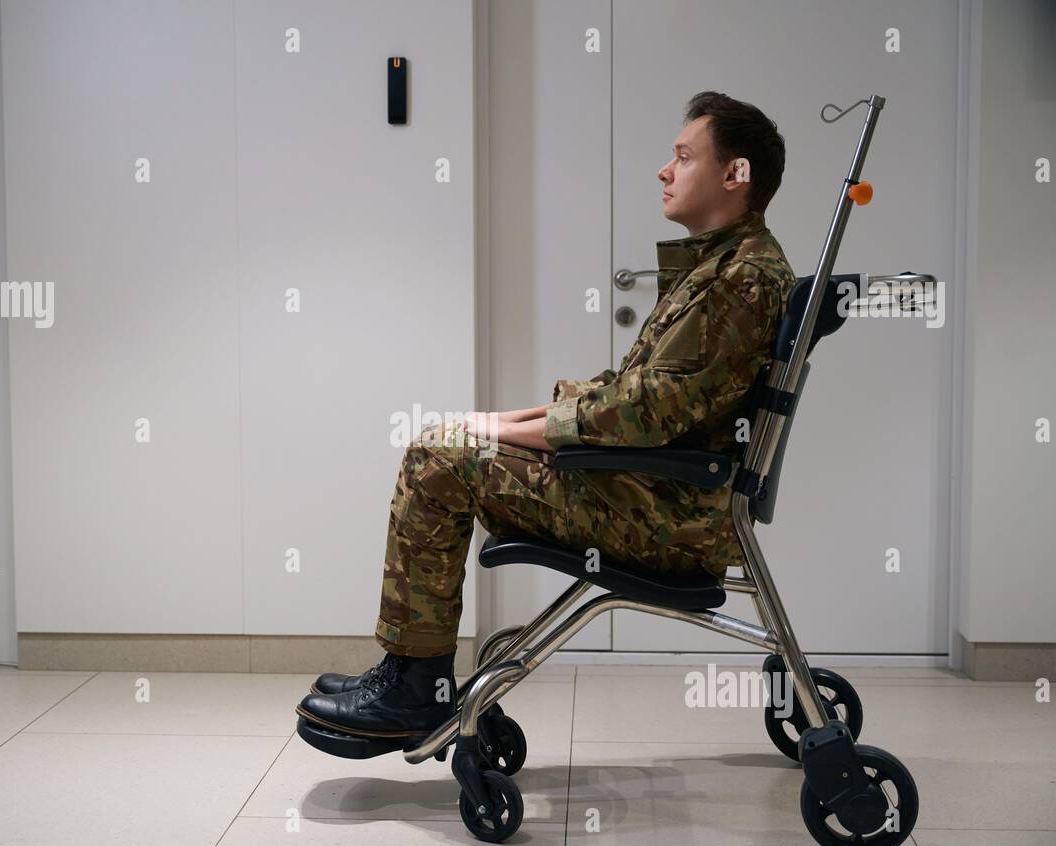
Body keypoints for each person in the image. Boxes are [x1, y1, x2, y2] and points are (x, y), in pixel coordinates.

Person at [296, 91, 797, 739]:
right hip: (665, 498)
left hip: (668, 517)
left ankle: (415, 686)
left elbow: (640, 415)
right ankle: (405, 671)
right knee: (452, 440)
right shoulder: (728, 267)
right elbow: (629, 392)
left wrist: (498, 431)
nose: (664, 170)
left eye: (682, 155)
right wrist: (499, 421)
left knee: (435, 460)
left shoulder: (739, 279)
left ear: (737, 174)